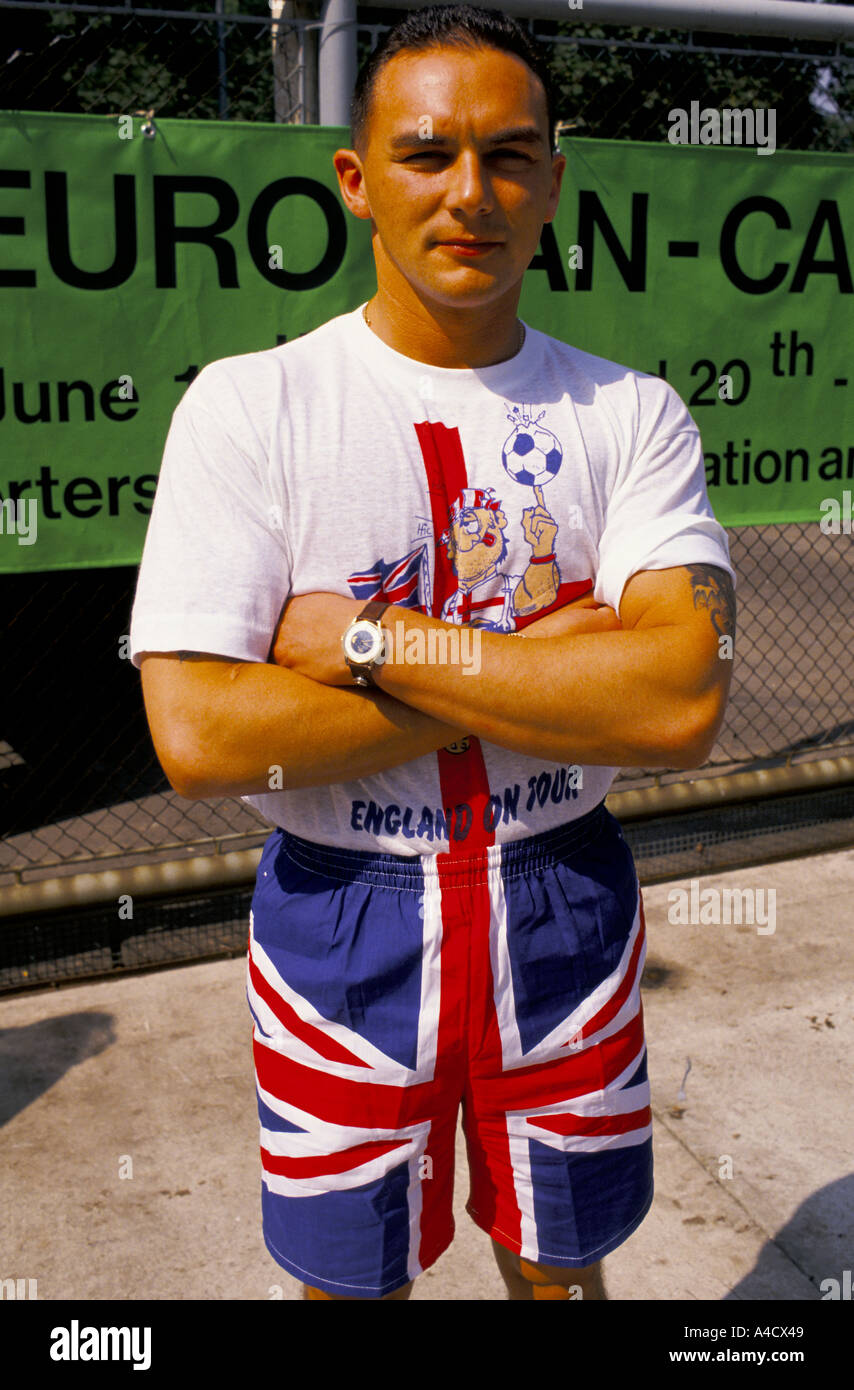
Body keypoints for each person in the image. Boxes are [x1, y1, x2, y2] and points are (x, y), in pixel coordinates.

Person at [130, 3, 736, 1301]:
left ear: (555, 182)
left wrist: (371, 643)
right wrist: (552, 671)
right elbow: (200, 733)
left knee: (560, 1262)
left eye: (511, 155)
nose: (472, 192)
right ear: (354, 181)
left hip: (560, 893)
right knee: (350, 1281)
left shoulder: (631, 414)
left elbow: (679, 694)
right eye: (426, 154)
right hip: (343, 909)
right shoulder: (251, 405)